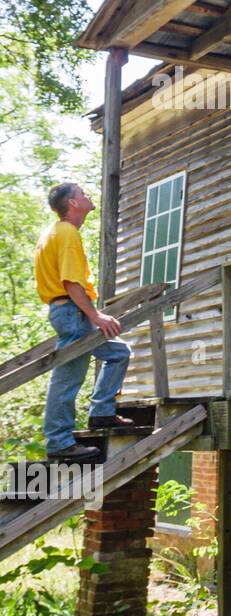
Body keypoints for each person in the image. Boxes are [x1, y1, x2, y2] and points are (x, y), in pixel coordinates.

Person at [34, 183, 135, 462]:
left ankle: (101, 413)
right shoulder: (66, 232)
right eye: (82, 193)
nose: (88, 195)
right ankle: (59, 443)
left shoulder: (57, 232)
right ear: (72, 203)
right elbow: (70, 282)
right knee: (67, 379)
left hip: (70, 311)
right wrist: (96, 315)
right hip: (71, 312)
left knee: (117, 352)